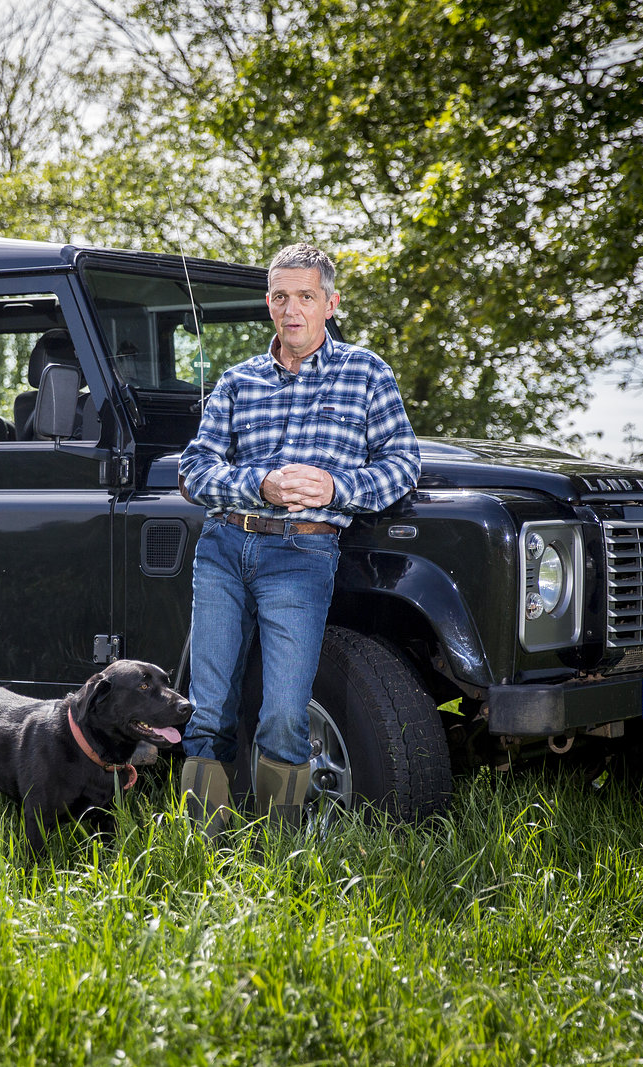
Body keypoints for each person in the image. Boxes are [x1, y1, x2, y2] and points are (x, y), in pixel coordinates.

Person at [178, 243, 421, 834]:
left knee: (285, 714)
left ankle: (277, 853)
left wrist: (335, 487)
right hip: (223, 548)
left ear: (330, 303)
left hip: (303, 554)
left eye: (306, 297)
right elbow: (194, 470)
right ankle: (199, 847)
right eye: (281, 297)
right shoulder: (238, 382)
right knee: (208, 711)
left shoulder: (367, 374)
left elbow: (402, 464)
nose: (292, 310)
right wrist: (260, 482)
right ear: (268, 303)